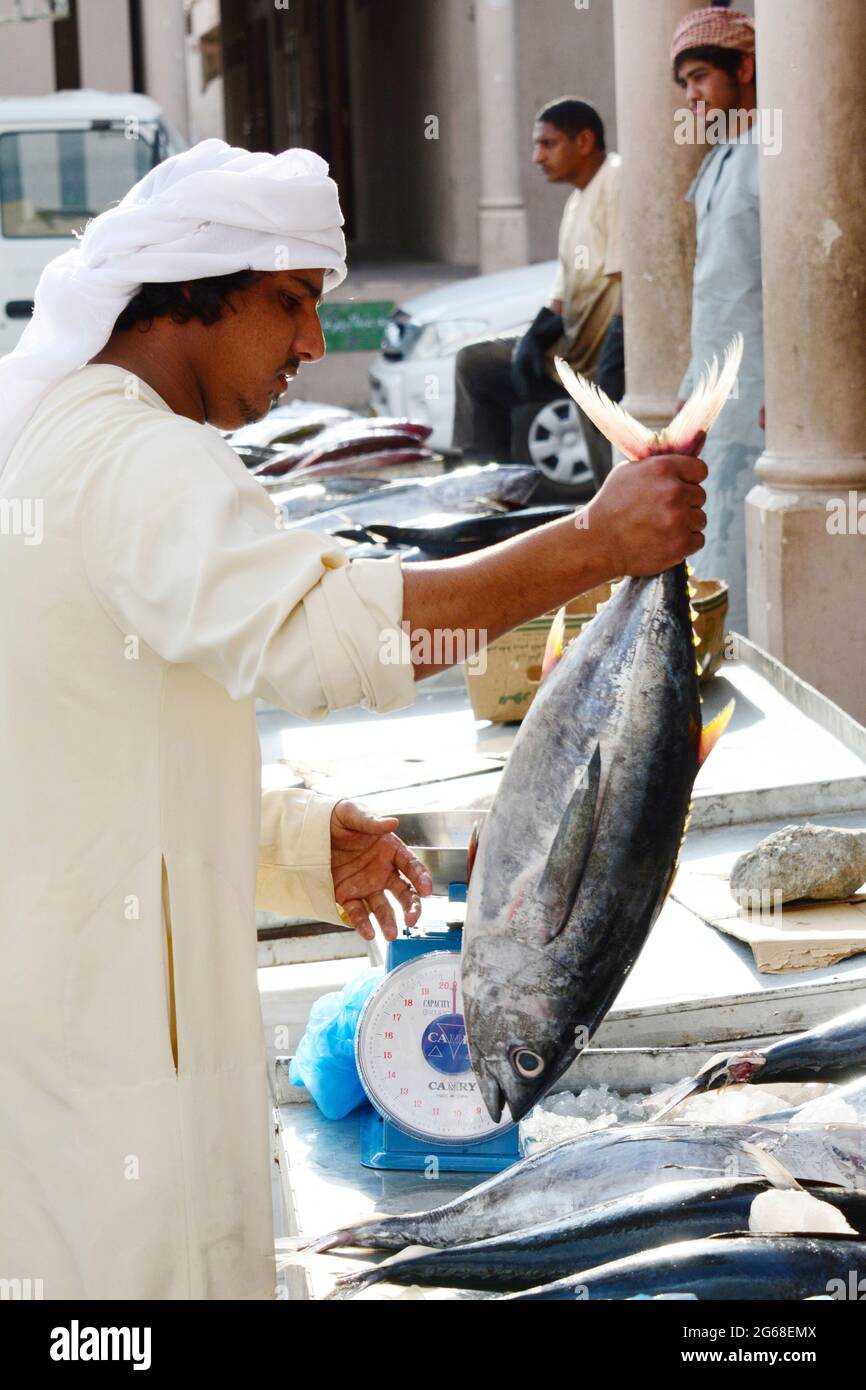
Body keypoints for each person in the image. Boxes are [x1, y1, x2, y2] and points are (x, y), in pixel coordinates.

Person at [0, 139, 707, 1301]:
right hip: (110, 1069)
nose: (312, 346)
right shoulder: (139, 460)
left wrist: (283, 840)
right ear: (188, 293)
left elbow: (73, 755)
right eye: (289, 304)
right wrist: (594, 544)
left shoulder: (71, 441)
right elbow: (346, 642)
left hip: (81, 1029)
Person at [453, 98, 622, 480]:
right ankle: (489, 490)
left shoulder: (615, 178)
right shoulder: (576, 203)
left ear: (584, 141)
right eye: (536, 146)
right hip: (571, 356)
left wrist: (615, 359)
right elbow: (560, 300)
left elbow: (629, 280)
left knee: (610, 484)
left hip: (604, 367)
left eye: (548, 144)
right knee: (475, 365)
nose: (537, 157)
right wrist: (534, 338)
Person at [672, 6, 764, 636]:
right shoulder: (722, 156)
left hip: (759, 394)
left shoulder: (772, 155)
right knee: (711, 552)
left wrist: (792, 388)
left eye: (701, 77)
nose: (692, 96)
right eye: (685, 84)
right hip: (714, 393)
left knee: (744, 560)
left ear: (746, 69)